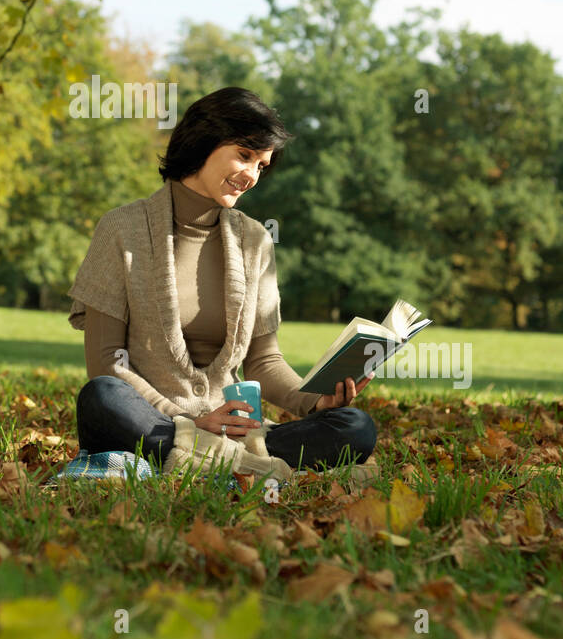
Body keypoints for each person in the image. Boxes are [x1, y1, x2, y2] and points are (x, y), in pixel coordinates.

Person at [67, 86, 377, 482]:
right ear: (204, 141)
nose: (251, 176)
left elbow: (263, 362)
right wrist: (191, 421)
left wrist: (316, 401)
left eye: (262, 166)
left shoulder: (255, 242)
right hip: (156, 422)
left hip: (236, 434)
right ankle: (240, 468)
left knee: (355, 427)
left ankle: (213, 465)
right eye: (244, 156)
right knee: (102, 398)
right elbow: (108, 364)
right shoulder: (122, 229)